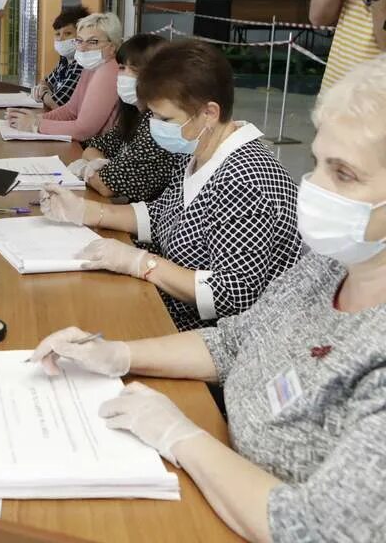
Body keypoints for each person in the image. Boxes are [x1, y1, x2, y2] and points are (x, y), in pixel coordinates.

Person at [30, 55, 386, 543]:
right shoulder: (329, 267)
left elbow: (317, 528)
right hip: (222, 463)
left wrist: (182, 438)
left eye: (343, 175)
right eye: (319, 163)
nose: (313, 187)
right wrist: (118, 353)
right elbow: (239, 339)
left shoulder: (253, 179)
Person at [38, 39, 302, 331]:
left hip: (210, 334)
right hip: (170, 307)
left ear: (209, 113)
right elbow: (164, 214)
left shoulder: (245, 178)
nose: (155, 125)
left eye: (165, 118)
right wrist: (85, 211)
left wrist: (142, 264)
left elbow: (230, 294)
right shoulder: (200, 149)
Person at [71, 33, 176, 202]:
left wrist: (87, 170)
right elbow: (93, 147)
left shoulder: (158, 124)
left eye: (134, 70)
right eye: (121, 68)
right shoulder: (134, 114)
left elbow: (107, 187)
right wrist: (105, 167)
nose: (125, 76)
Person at [6, 12, 121, 142]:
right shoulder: (91, 67)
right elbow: (70, 111)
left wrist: (36, 125)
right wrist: (37, 118)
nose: (82, 48)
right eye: (80, 40)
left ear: (112, 47)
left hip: (97, 152)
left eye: (92, 42)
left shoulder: (108, 72)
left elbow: (83, 130)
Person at [31, 5, 90, 108]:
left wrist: (43, 94)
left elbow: (58, 103)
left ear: (82, 35)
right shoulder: (65, 60)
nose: (61, 39)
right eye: (57, 34)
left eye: (68, 33)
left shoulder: (82, 63)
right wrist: (43, 88)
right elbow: (46, 81)